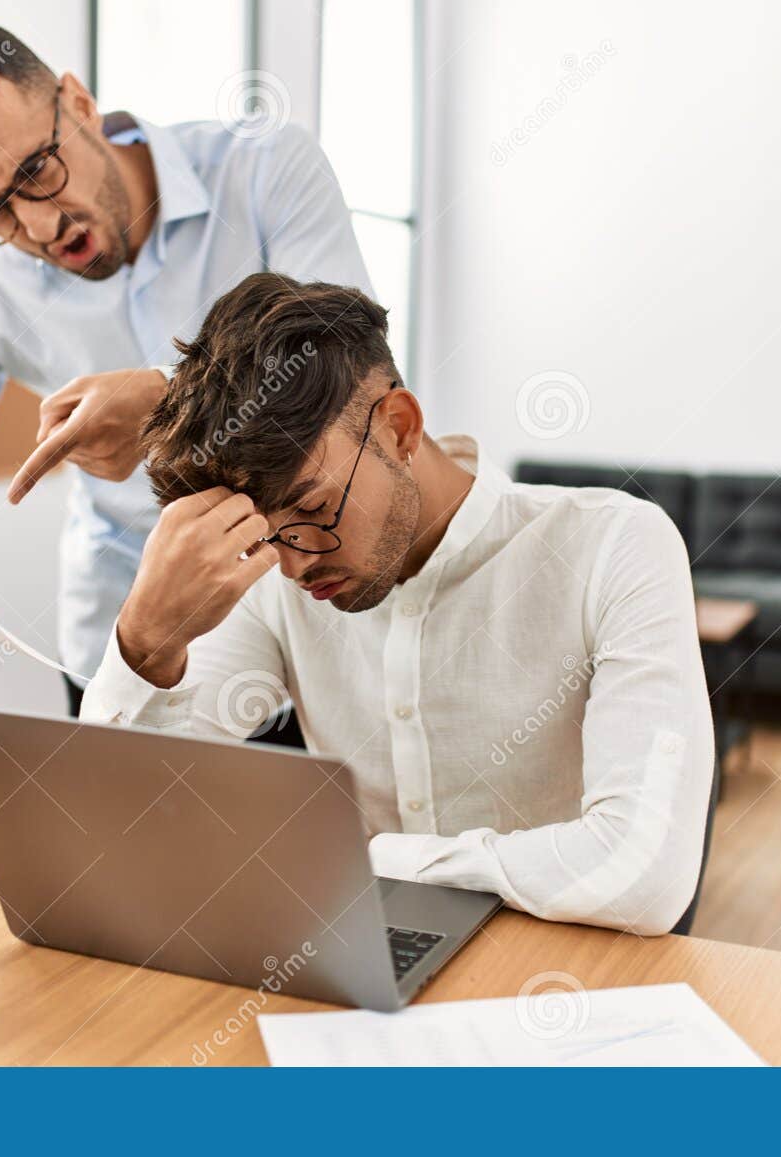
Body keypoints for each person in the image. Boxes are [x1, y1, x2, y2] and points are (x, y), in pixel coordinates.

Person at [80, 273, 716, 935]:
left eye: (314, 507)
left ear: (400, 428)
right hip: (363, 968)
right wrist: (145, 637)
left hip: (568, 977)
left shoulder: (614, 544)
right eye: (263, 530)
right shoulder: (277, 565)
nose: (294, 563)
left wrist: (356, 860)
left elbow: (643, 872)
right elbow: (133, 821)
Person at [0, 17, 370, 712]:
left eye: (36, 170)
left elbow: (347, 362)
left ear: (80, 103)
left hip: (302, 615)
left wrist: (171, 401)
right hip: (119, 647)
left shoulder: (265, 167)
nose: (37, 227)